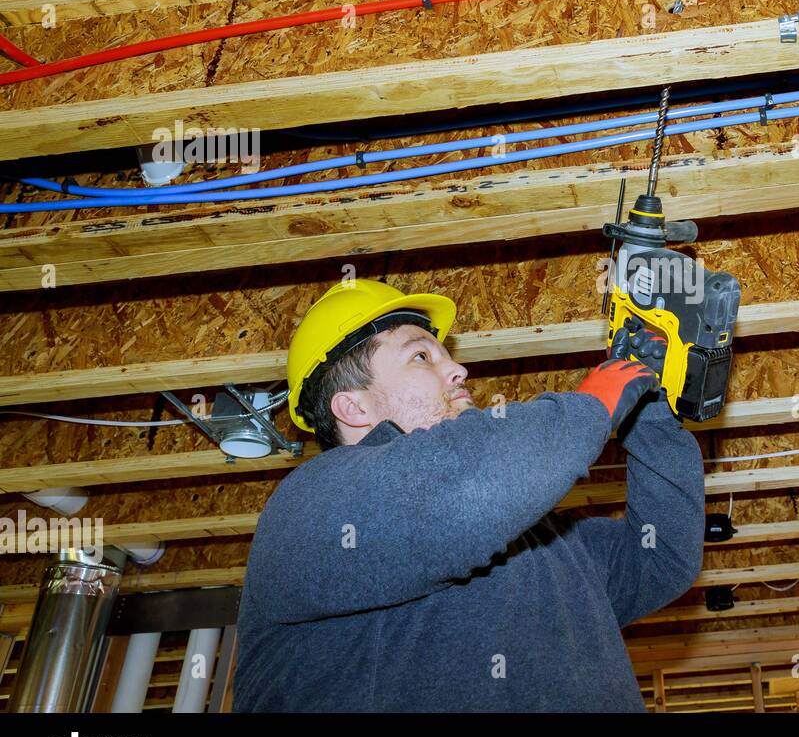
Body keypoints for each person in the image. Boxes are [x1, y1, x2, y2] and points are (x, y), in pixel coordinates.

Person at [233, 278, 704, 711]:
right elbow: (463, 483)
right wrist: (596, 400)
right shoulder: (311, 509)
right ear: (353, 405)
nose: (458, 368)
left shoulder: (541, 539)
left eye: (445, 355)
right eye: (422, 356)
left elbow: (660, 560)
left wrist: (652, 415)